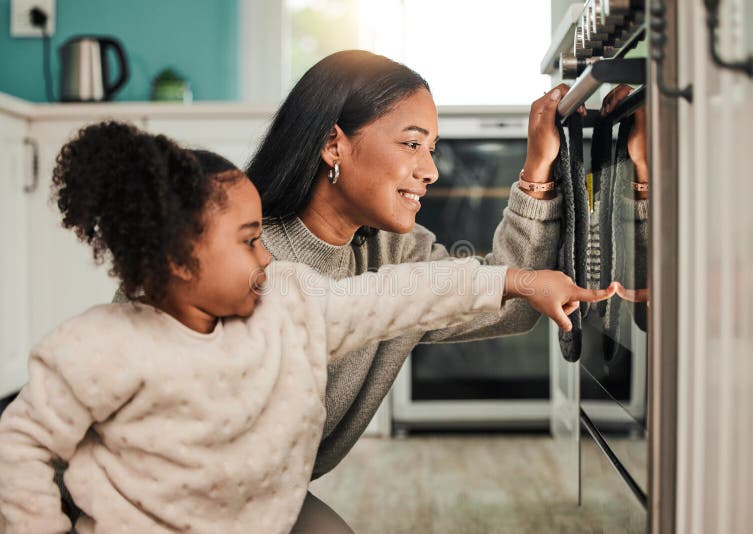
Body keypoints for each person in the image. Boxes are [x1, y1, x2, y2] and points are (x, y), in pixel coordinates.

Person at [0, 122, 613, 533]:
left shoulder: (287, 300)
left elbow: (398, 294)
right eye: (248, 241)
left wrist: (517, 280)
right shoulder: (97, 346)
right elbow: (21, 445)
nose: (266, 253)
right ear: (179, 261)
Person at [245, 49, 579, 531]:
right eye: (411, 144)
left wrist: (538, 170)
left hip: (274, 491)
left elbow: (511, 305)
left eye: (432, 148)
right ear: (333, 145)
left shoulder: (395, 252)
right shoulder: (241, 253)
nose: (431, 170)